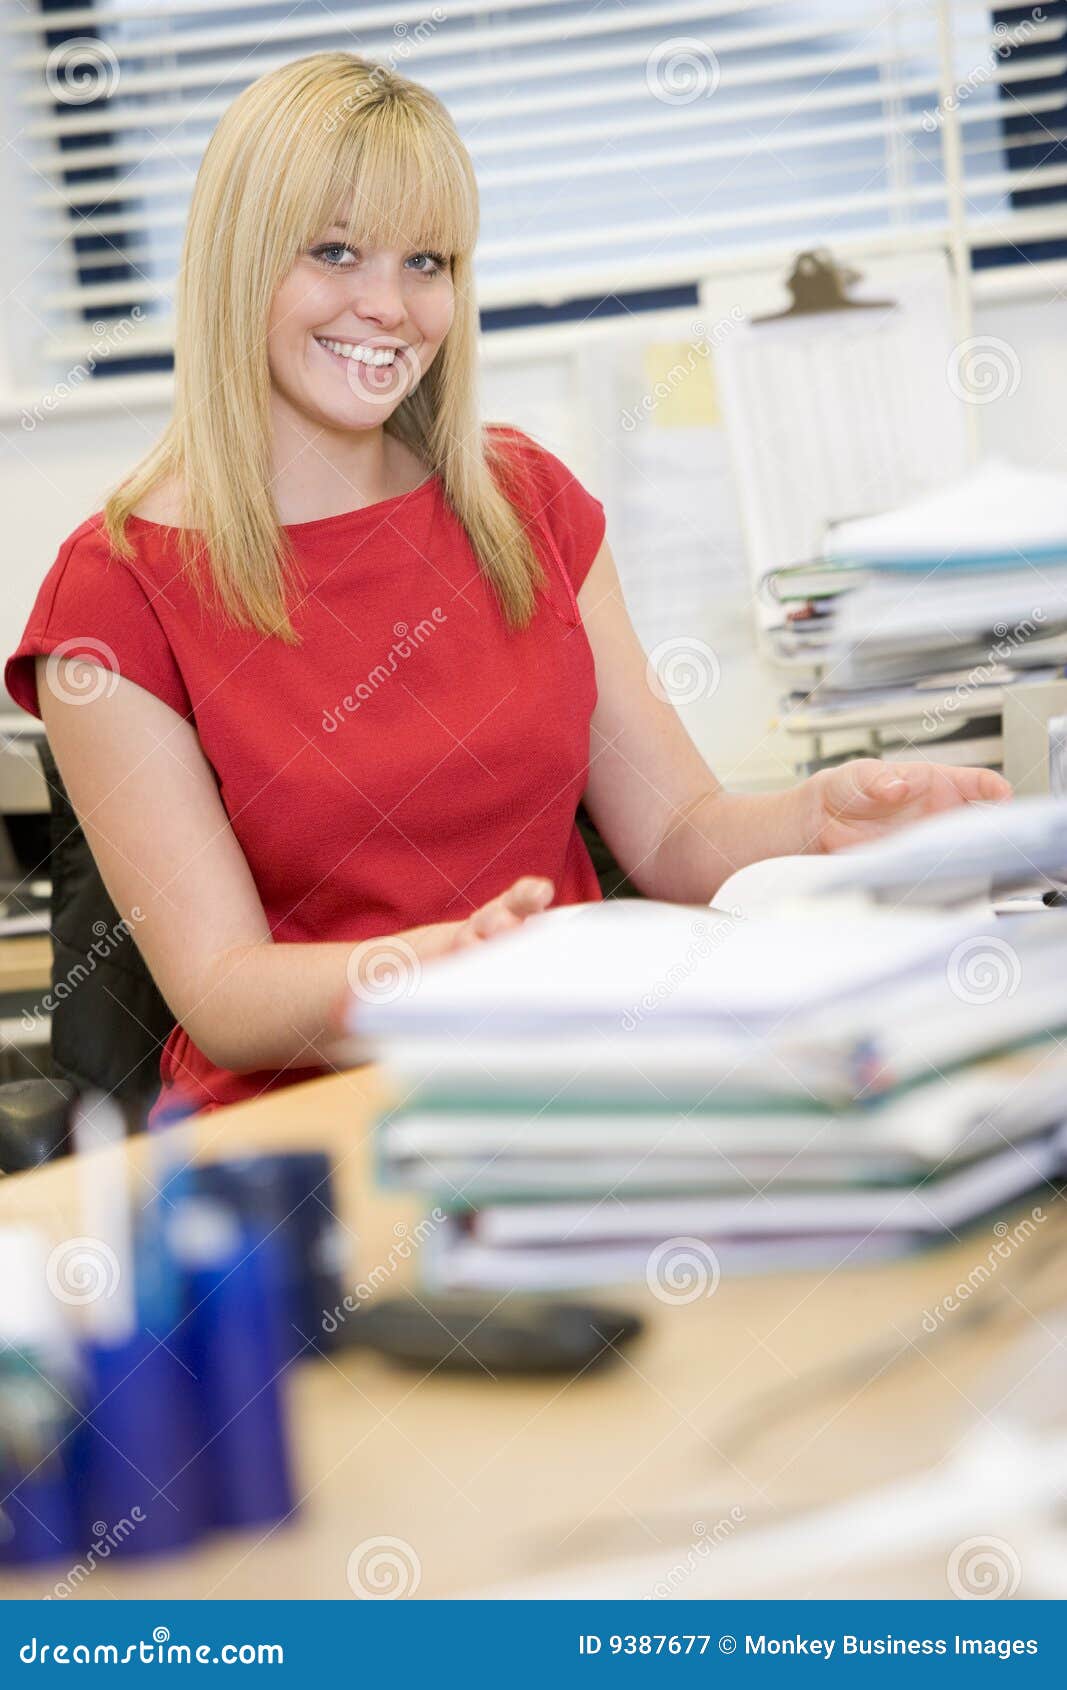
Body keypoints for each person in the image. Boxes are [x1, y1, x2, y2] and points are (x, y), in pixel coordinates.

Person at [5, 53, 1010, 1124]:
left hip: (573, 1079)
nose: (388, 306)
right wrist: (441, 968)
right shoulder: (114, 595)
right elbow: (224, 994)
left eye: (426, 261)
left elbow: (675, 837)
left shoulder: (522, 503)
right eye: (335, 252)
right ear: (239, 263)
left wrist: (815, 817)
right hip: (308, 1129)